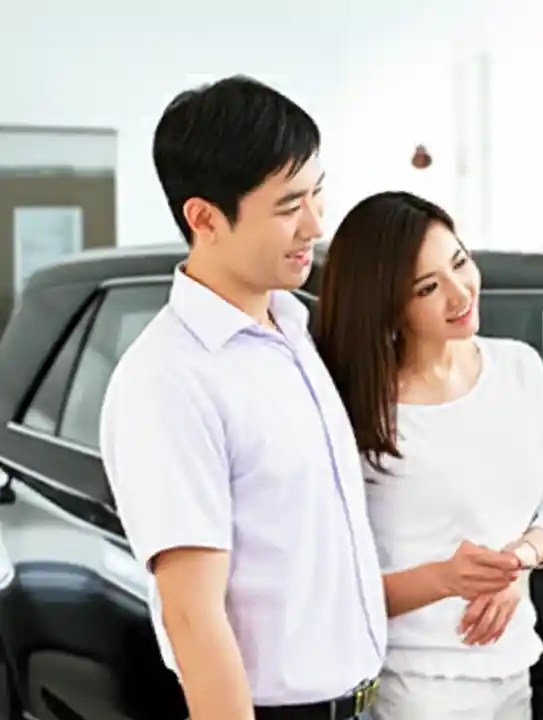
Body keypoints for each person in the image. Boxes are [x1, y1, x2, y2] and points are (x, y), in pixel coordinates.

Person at [99, 75, 402, 719]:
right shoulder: (168, 378)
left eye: (317, 193)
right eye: (290, 205)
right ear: (204, 218)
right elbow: (191, 613)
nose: (317, 225)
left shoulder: (292, 329)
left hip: (361, 701)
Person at [314, 191, 543, 720]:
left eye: (460, 262)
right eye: (428, 287)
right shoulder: (358, 410)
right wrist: (447, 578)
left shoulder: (519, 367)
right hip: (412, 689)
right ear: (388, 303)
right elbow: (334, 592)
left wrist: (520, 562)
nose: (460, 294)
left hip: (512, 673)